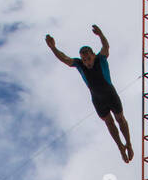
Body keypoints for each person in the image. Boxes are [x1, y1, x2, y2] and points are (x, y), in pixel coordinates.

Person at [45, 24, 133, 163]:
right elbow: (64, 58)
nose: (87, 62)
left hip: (110, 94)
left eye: (89, 58)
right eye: (84, 60)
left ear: (93, 55)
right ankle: (121, 147)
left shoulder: (101, 58)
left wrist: (101, 35)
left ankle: (128, 143)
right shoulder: (79, 64)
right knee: (109, 123)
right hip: (97, 99)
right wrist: (53, 48)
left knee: (120, 119)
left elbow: (106, 47)